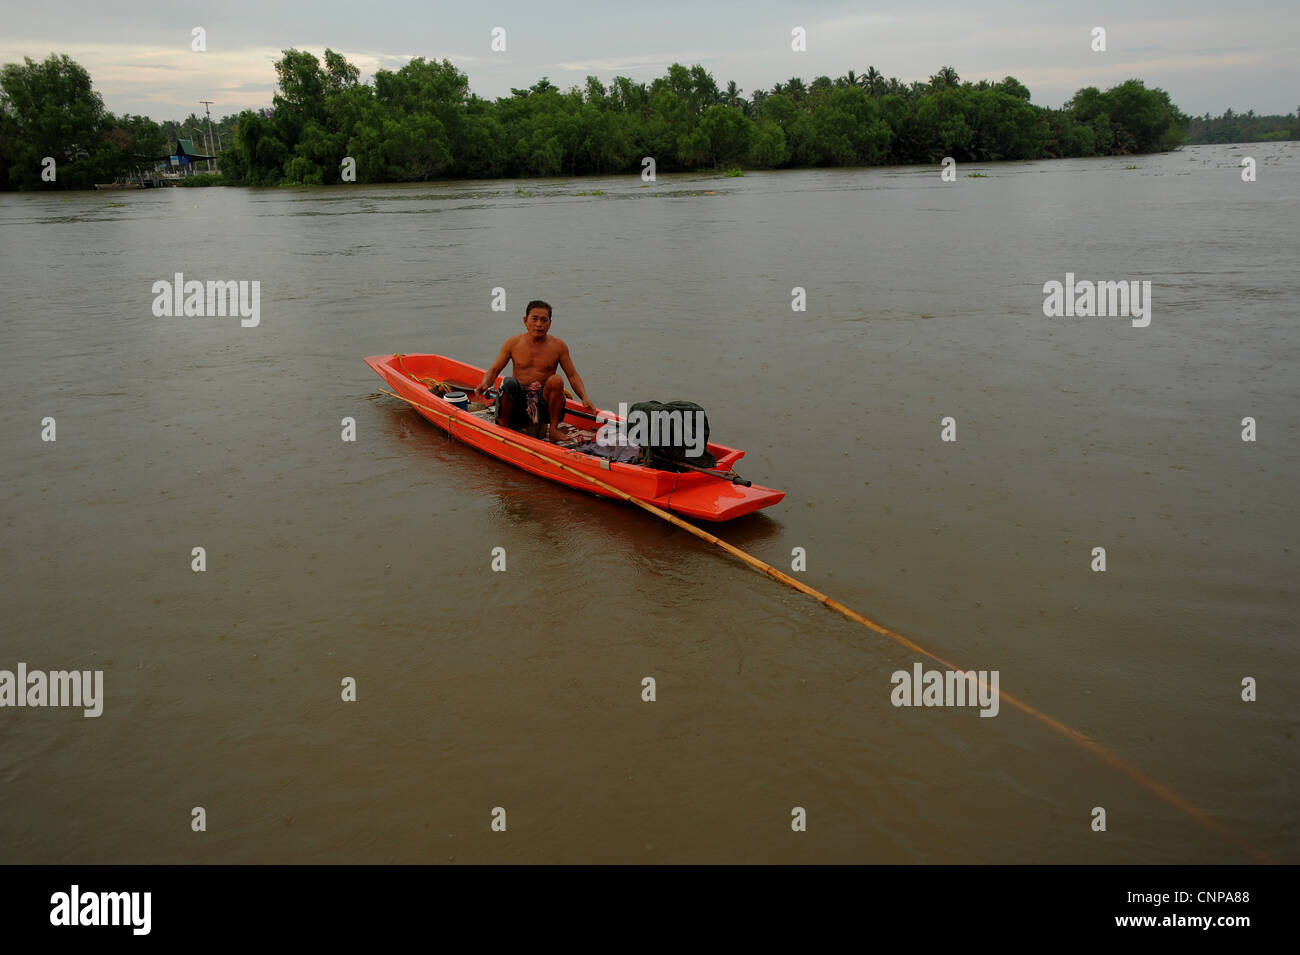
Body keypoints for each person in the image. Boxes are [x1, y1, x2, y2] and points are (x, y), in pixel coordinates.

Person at [476, 300, 597, 442]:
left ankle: (553, 430)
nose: (539, 324)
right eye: (534, 319)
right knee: (508, 382)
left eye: (543, 320)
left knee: (556, 380)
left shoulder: (558, 346)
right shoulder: (513, 343)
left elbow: (572, 375)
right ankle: (504, 427)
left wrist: (584, 397)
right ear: (525, 320)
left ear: (549, 324)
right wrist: (484, 384)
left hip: (542, 403)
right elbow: (495, 368)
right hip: (519, 401)